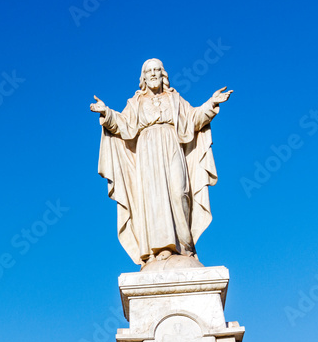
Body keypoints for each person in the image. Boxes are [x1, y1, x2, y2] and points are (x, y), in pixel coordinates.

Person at [90, 58, 232, 266]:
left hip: (173, 145)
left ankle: (184, 246)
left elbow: (193, 119)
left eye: (157, 70)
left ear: (163, 74)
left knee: (180, 192)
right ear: (144, 78)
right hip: (147, 151)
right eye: (149, 71)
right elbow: (123, 125)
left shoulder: (174, 99)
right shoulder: (136, 103)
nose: (154, 74)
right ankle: (161, 248)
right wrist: (106, 112)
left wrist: (212, 103)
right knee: (154, 198)